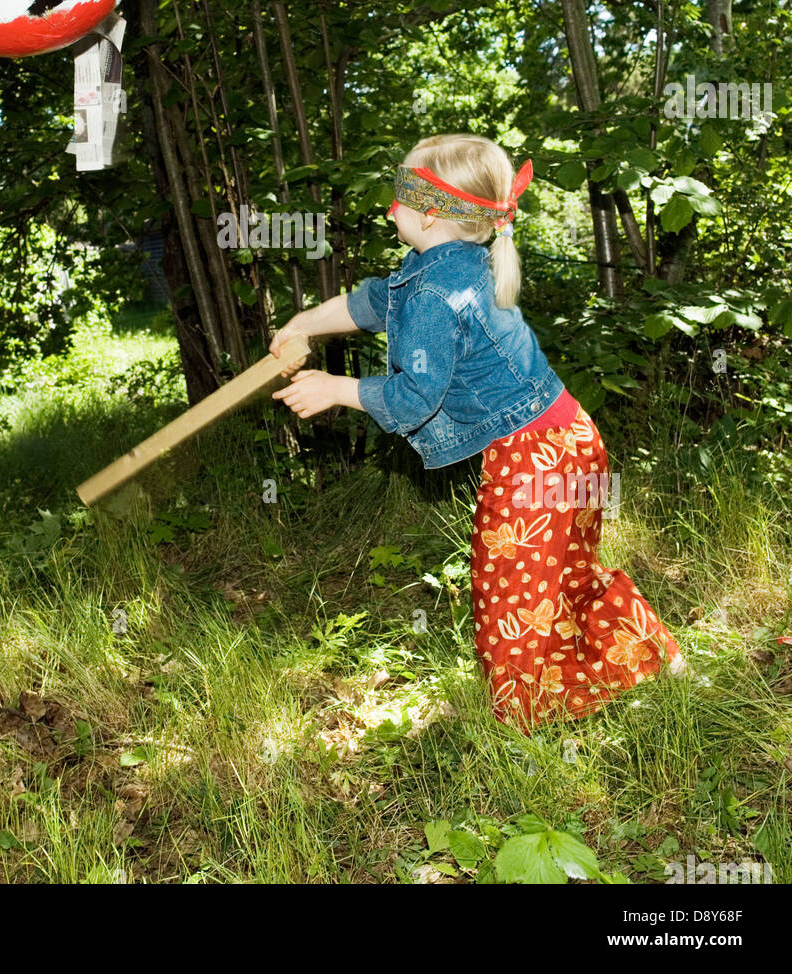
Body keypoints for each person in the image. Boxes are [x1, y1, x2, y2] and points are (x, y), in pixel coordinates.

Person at [270, 132, 685, 731]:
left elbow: (416, 396)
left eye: (400, 198)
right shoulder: (450, 262)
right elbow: (372, 304)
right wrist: (303, 324)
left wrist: (335, 389)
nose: (391, 210)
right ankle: (654, 659)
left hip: (534, 459)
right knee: (571, 572)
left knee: (507, 596)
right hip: (573, 438)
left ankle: (521, 732)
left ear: (431, 213)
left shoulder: (438, 294)